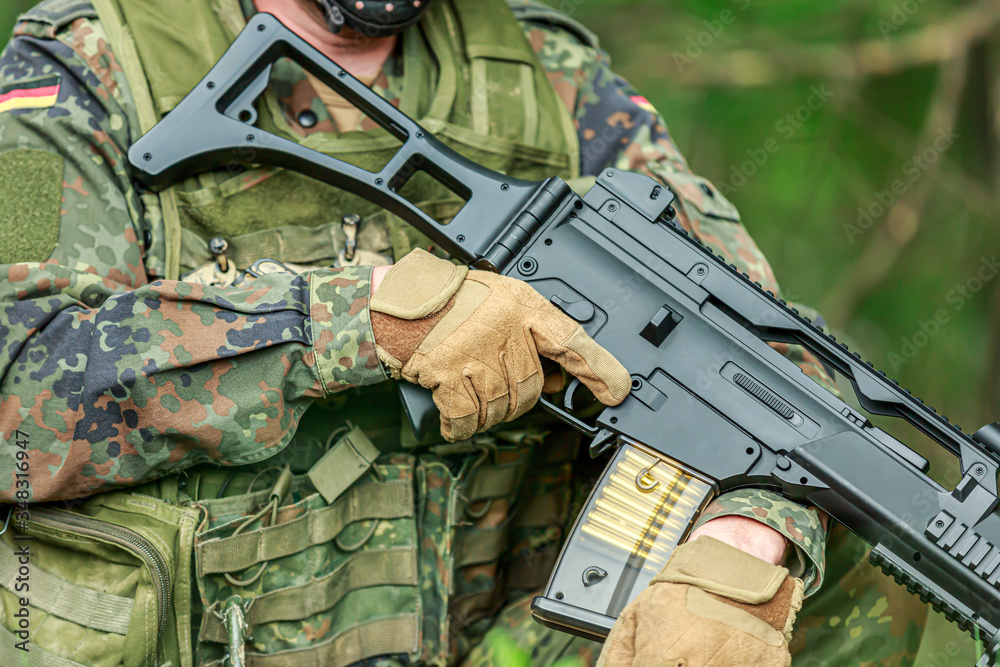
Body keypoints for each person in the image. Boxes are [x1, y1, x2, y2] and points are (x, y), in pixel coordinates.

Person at [0, 0, 959, 665]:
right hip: (212, 629)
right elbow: (16, 387)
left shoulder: (551, 75)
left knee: (845, 578)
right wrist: (364, 321)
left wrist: (744, 542)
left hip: (487, 628)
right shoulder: (76, 69)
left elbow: (770, 354)